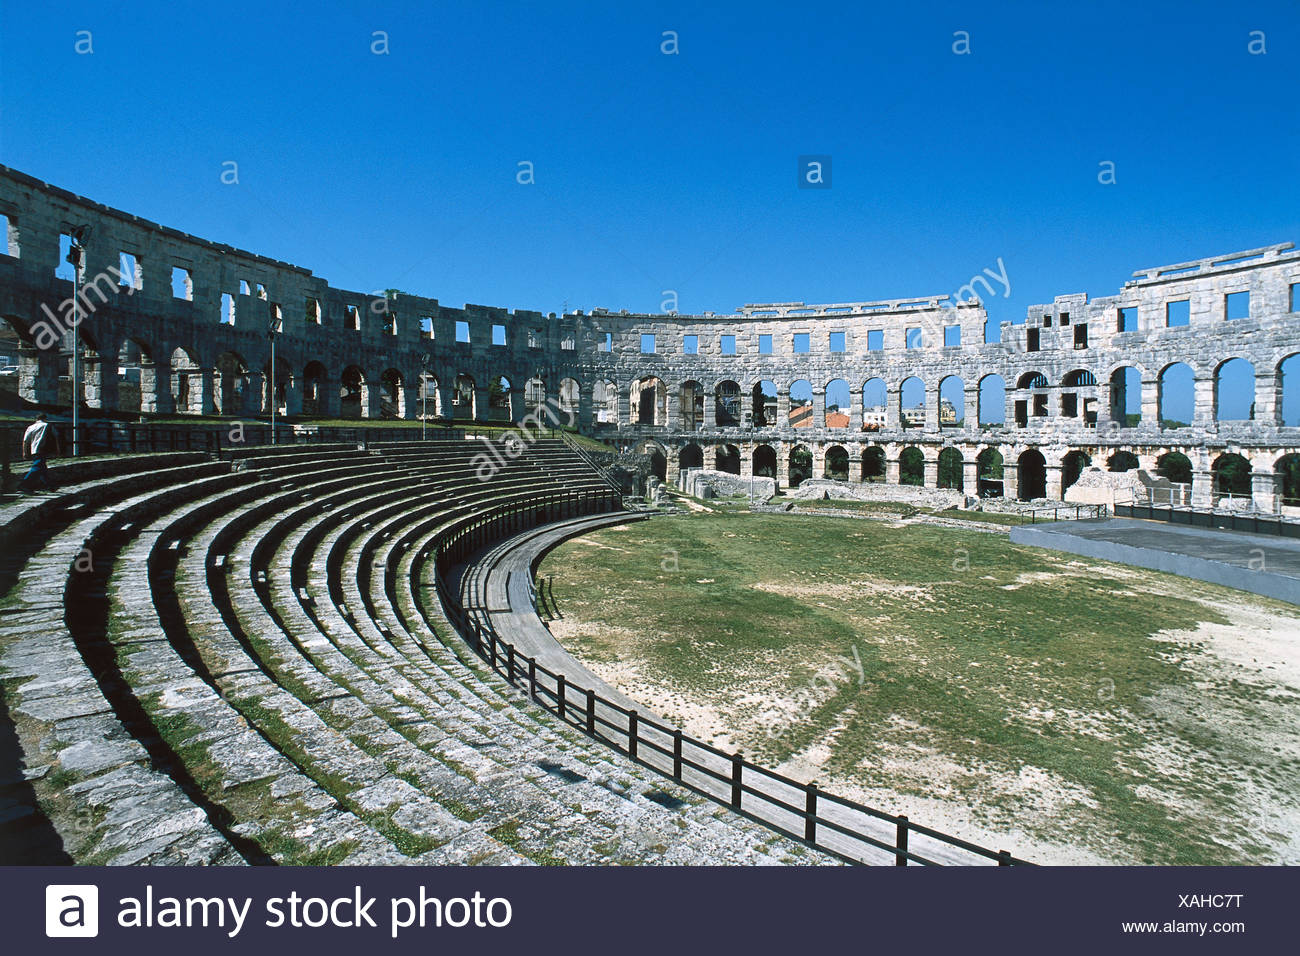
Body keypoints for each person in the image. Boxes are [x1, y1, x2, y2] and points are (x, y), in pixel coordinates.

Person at [19, 413, 59, 494]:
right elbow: (56, 437)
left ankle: (50, 486)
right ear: (45, 418)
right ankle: (24, 485)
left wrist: (24, 452)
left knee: (42, 468)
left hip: (33, 450)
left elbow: (25, 441)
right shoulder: (47, 425)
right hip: (43, 449)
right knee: (37, 467)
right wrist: (58, 450)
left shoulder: (30, 427)